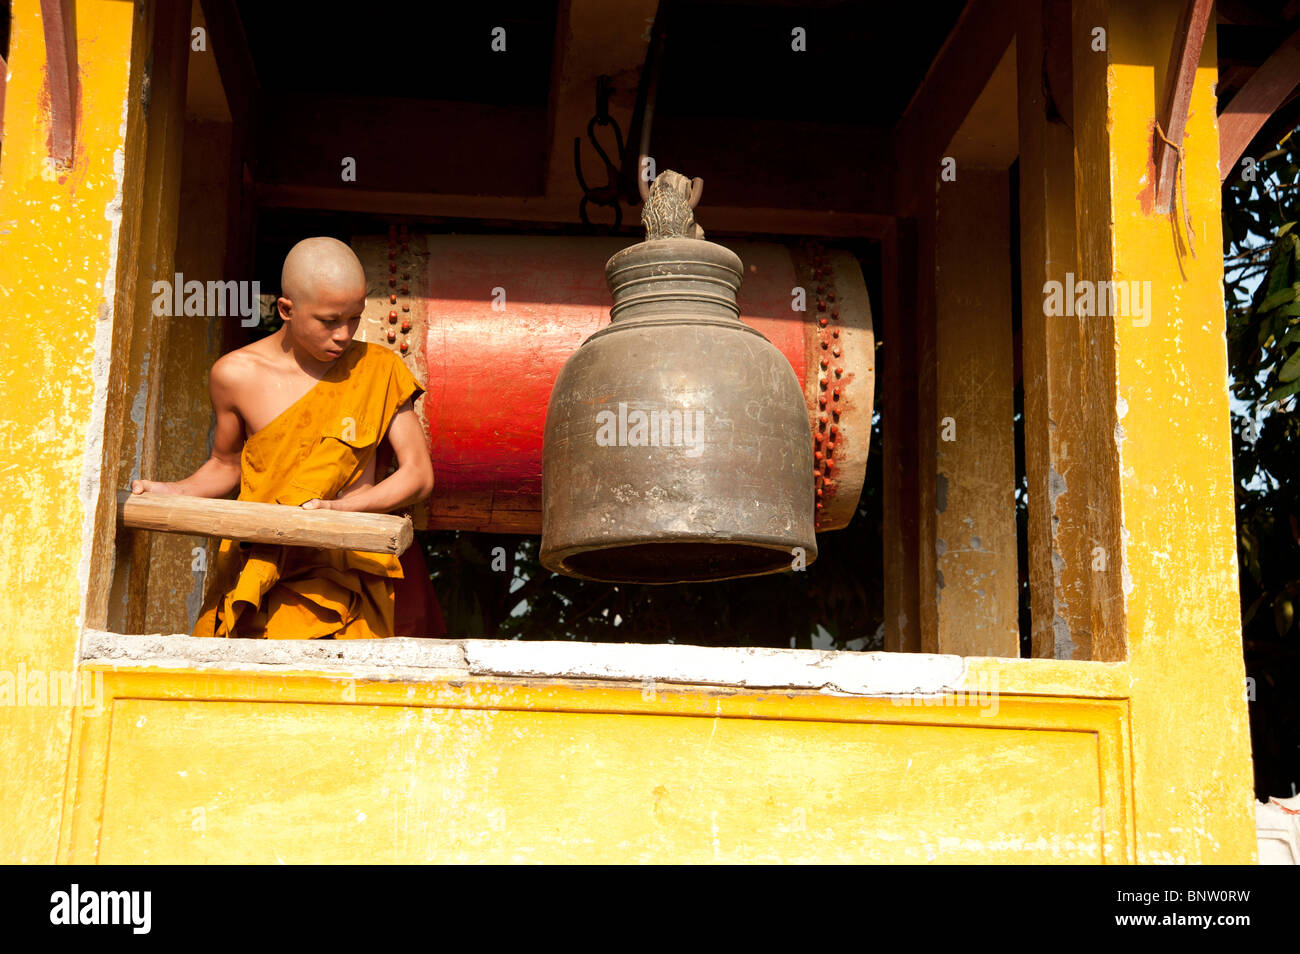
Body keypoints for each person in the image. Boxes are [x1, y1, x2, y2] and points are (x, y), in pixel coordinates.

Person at [131, 236, 443, 639]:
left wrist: (342, 510)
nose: (344, 335)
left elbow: (418, 475)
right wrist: (175, 491)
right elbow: (226, 466)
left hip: (343, 572)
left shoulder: (379, 369)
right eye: (329, 321)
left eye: (354, 318)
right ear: (286, 309)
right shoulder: (235, 375)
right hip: (259, 570)